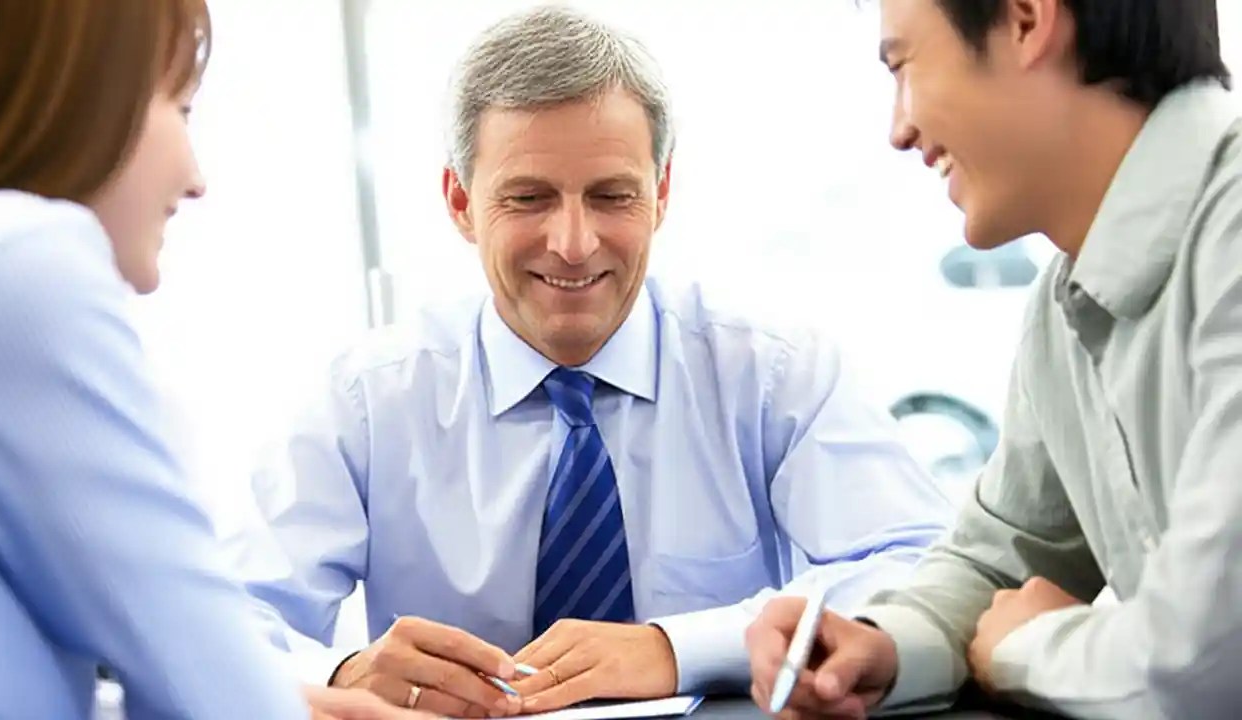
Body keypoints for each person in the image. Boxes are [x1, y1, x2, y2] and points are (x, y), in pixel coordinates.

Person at [232, 5, 954, 717]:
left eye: (612, 196)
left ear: (662, 192)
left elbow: (919, 570)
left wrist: (679, 649)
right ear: (460, 201)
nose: (573, 243)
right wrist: (345, 671)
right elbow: (224, 618)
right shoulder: (369, 399)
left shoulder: (771, 374)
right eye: (528, 198)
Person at [746, 0, 1239, 718]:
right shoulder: (1065, 303)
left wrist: (1028, 646)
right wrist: (879, 647)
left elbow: (1211, 655)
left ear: (1026, 21)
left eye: (903, 65)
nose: (899, 129)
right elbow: (999, 557)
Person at [0, 2, 422, 718]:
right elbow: (206, 680)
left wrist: (297, 702)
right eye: (179, 107)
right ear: (81, 97)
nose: (196, 176)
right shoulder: (20, 260)